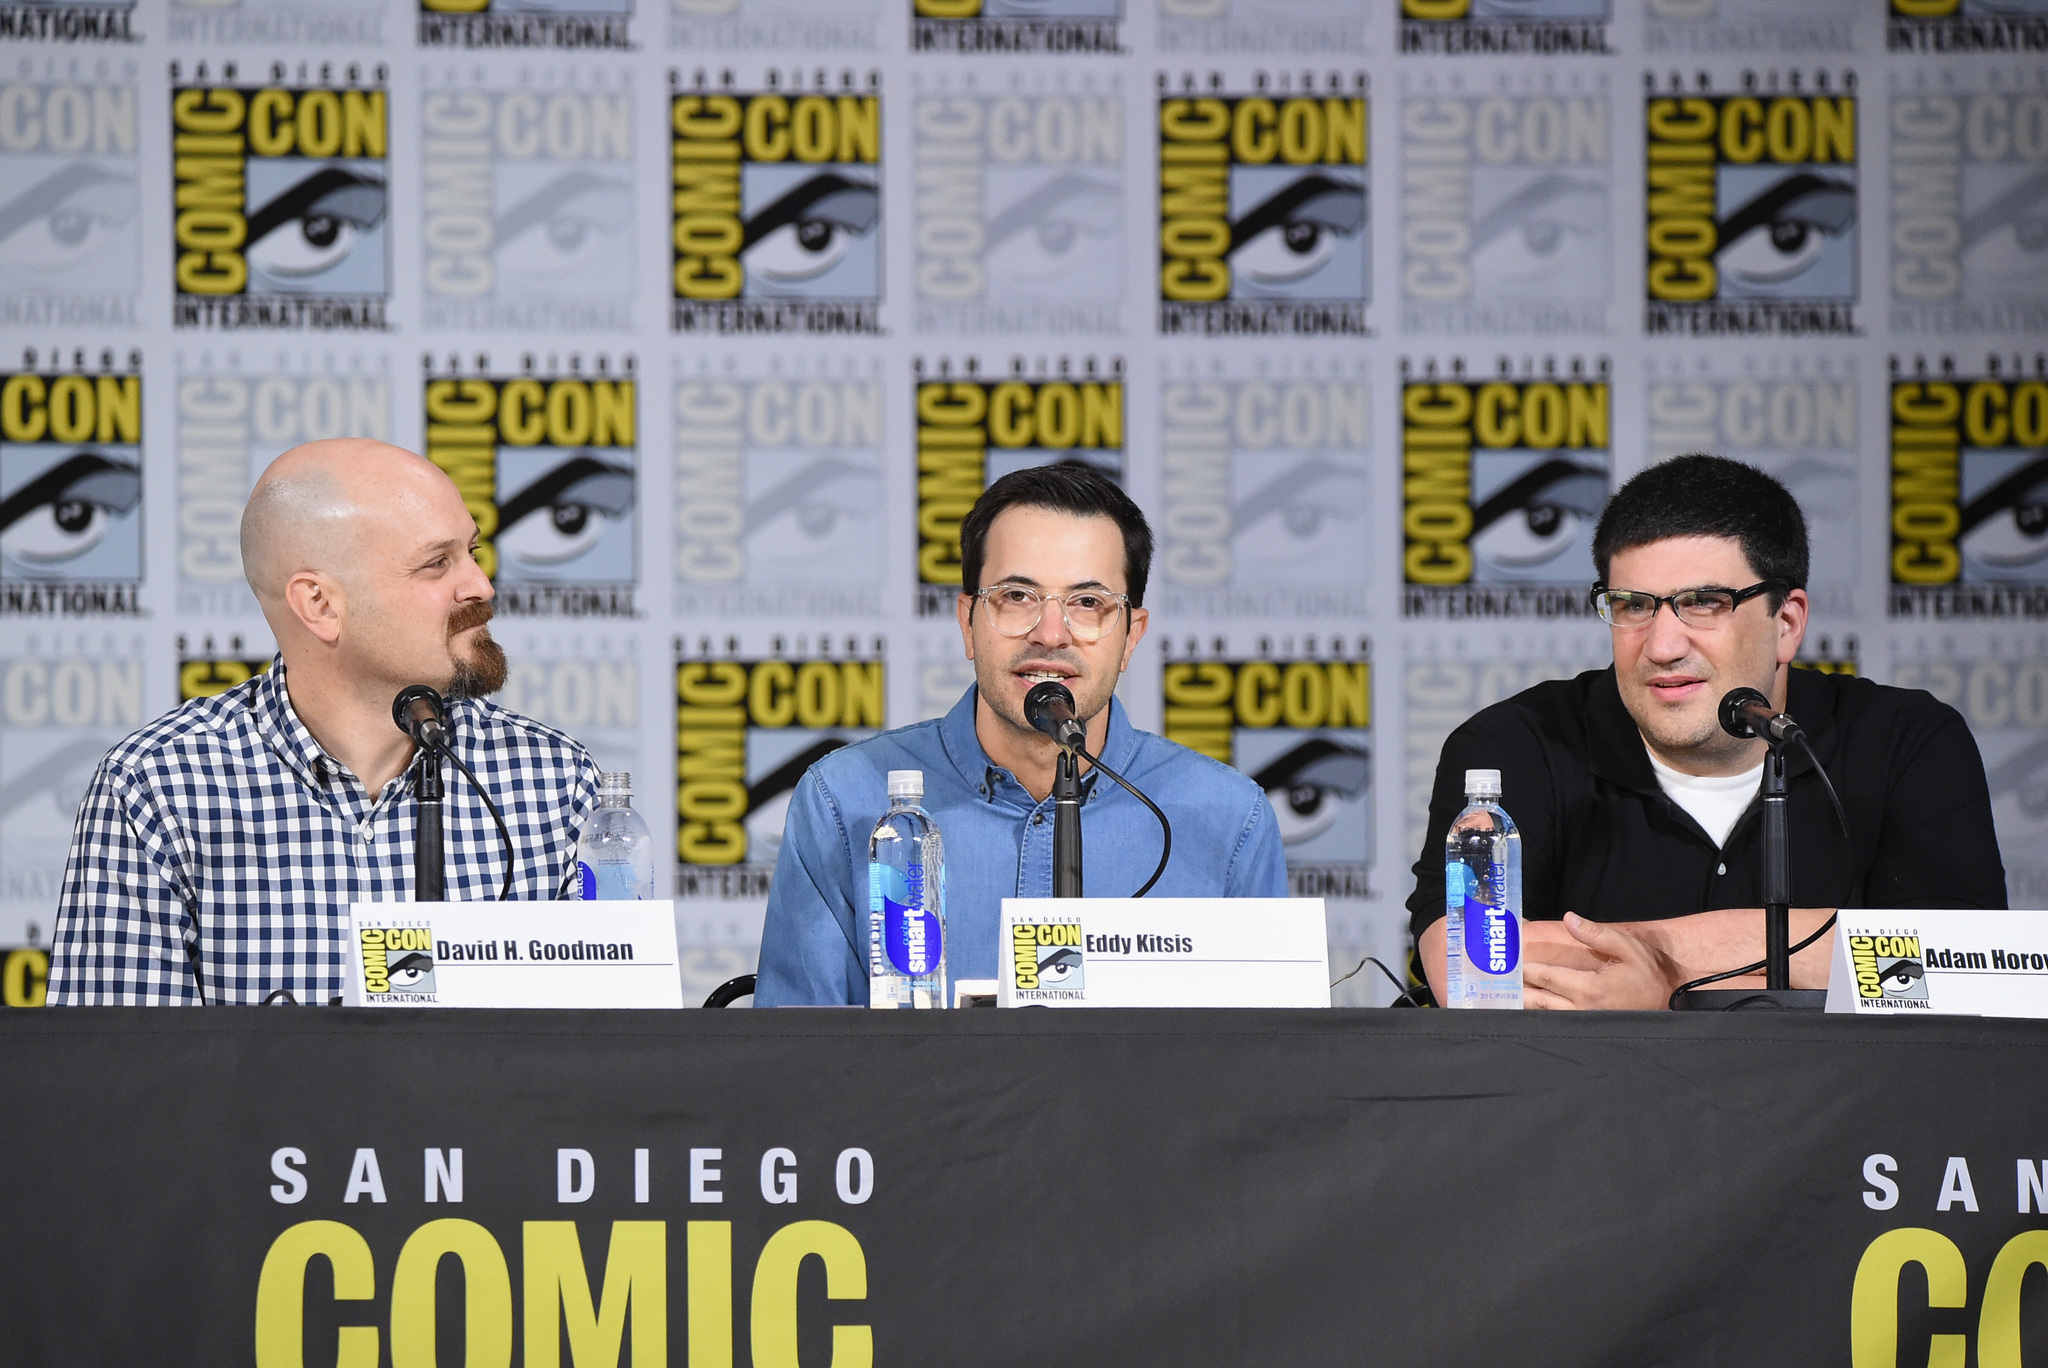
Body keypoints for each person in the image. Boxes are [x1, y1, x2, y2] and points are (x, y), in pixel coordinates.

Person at [1409, 454, 2006, 1010]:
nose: (1662, 647)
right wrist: (1814, 952)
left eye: (1704, 603)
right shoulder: (1514, 744)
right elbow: (1465, 964)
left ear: (1787, 623)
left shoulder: (1907, 741)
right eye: (1633, 605)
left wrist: (1662, 973)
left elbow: (1963, 966)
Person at [47, 439, 600, 1006]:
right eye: (438, 562)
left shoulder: (555, 779)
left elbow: (602, 1061)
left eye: (472, 552)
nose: (481, 586)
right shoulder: (157, 788)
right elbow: (117, 1079)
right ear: (319, 605)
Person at [756, 461, 1288, 1006]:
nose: (1050, 634)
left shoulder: (1228, 817)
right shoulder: (845, 800)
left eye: (1088, 603)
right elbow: (799, 1066)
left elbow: (1263, 1069)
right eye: (1017, 597)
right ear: (967, 623)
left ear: (1131, 637)